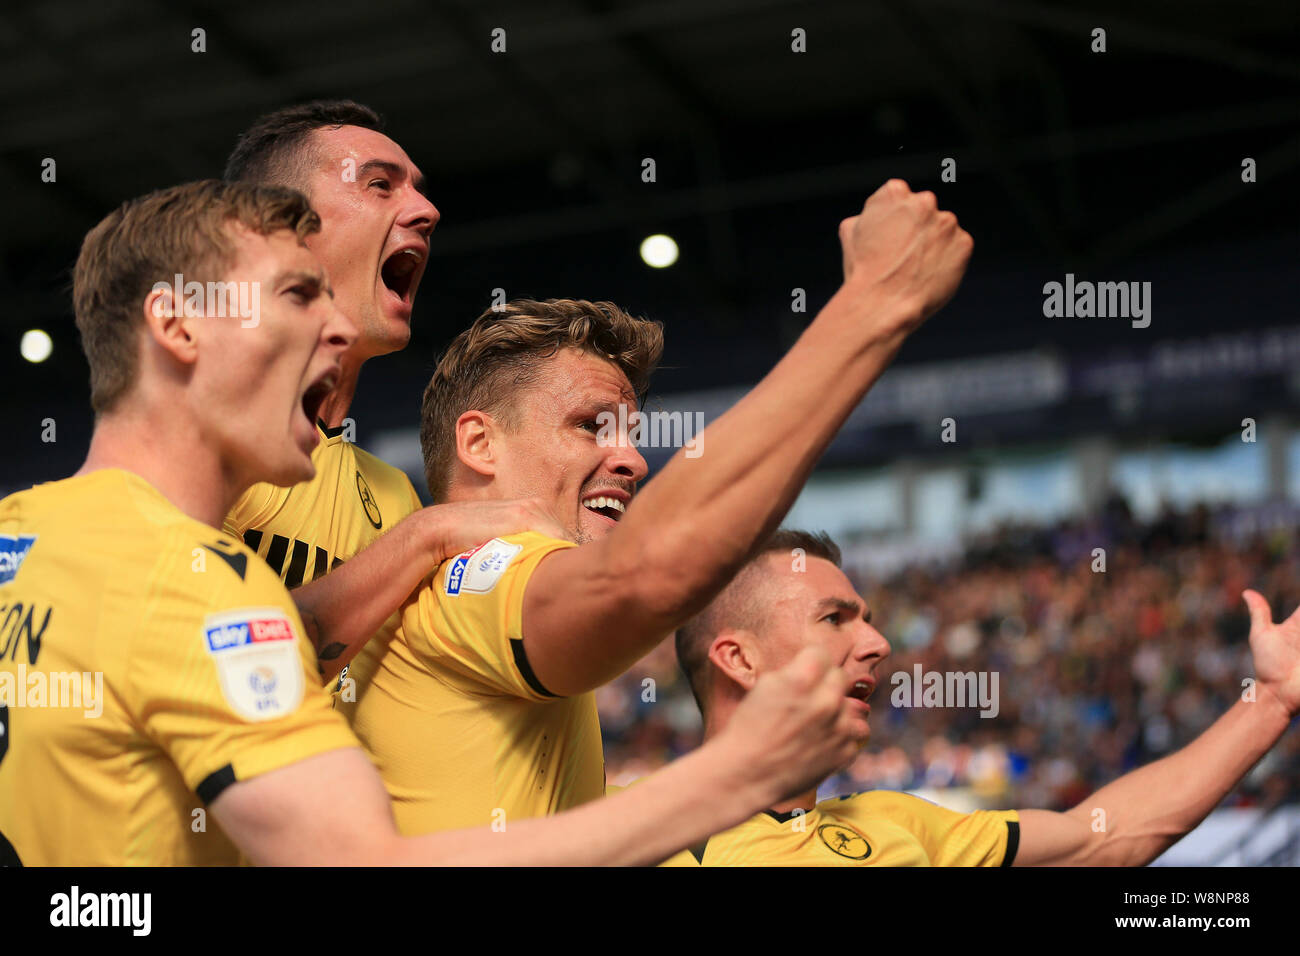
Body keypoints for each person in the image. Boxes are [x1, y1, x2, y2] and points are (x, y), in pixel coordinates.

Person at [0, 180, 867, 866]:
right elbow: (359, 864)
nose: (337, 327)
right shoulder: (207, 586)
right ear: (178, 321)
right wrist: (729, 777)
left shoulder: (23, 536)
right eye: (298, 293)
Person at [344, 177, 974, 833]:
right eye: (592, 426)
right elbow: (647, 572)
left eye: (633, 436)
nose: (634, 461)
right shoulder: (475, 580)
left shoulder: (465, 612)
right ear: (479, 441)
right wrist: (875, 304)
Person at [667, 529, 1300, 866]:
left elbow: (1102, 840)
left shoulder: (898, 823)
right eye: (834, 618)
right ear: (739, 658)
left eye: (869, 618)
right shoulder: (622, 836)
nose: (879, 642)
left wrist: (1271, 700)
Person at [222, 100, 527, 681]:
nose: (428, 211)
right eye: (379, 185)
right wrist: (426, 535)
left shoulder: (394, 496)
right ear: (273, 231)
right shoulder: (207, 449)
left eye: (418, 189)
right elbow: (220, 669)